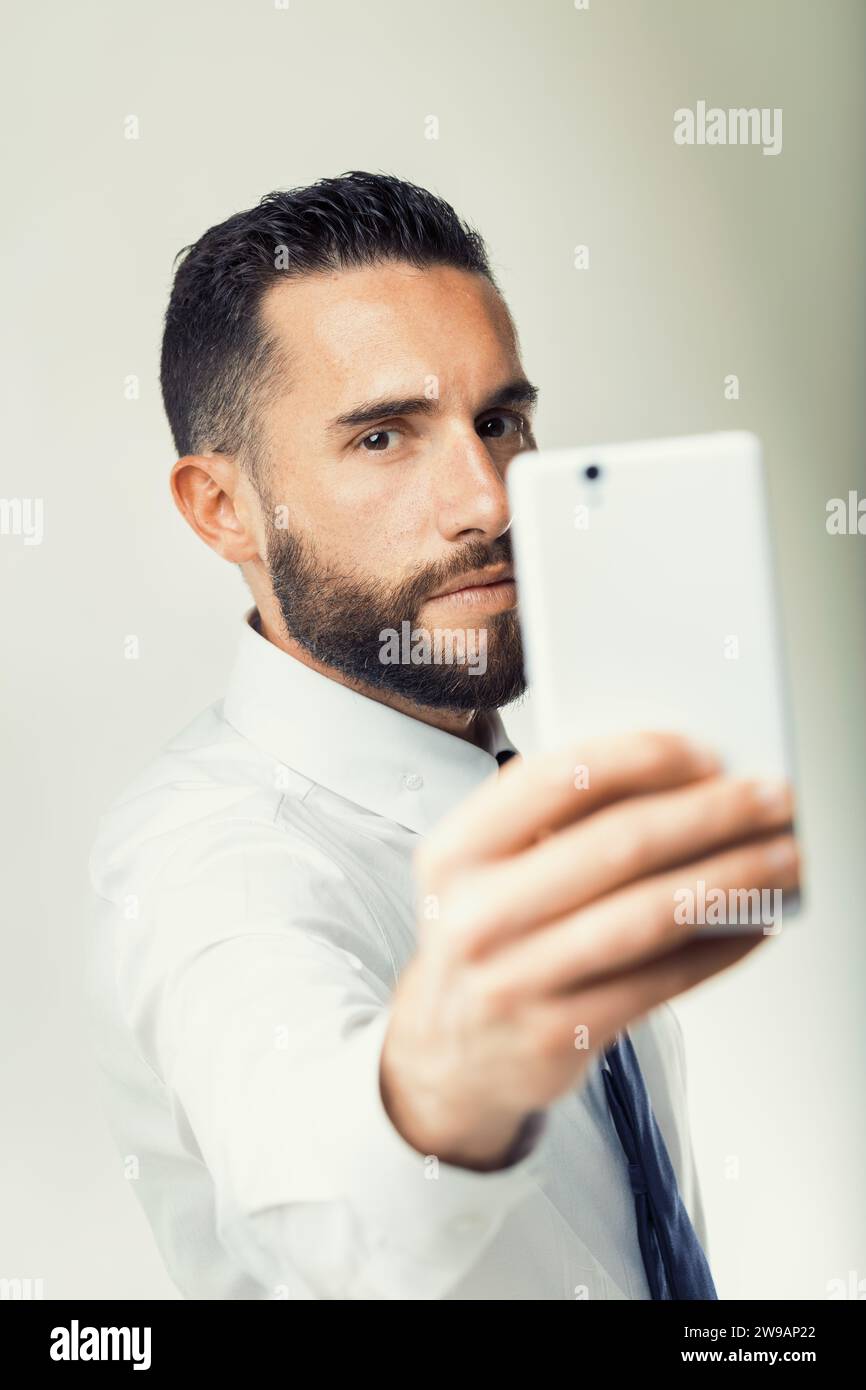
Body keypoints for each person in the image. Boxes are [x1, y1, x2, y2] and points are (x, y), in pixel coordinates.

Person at [86, 171, 798, 1300]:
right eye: (381, 437)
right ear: (221, 509)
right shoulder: (208, 868)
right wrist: (437, 1087)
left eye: (499, 421)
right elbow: (315, 1212)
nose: (488, 500)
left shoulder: (536, 784)